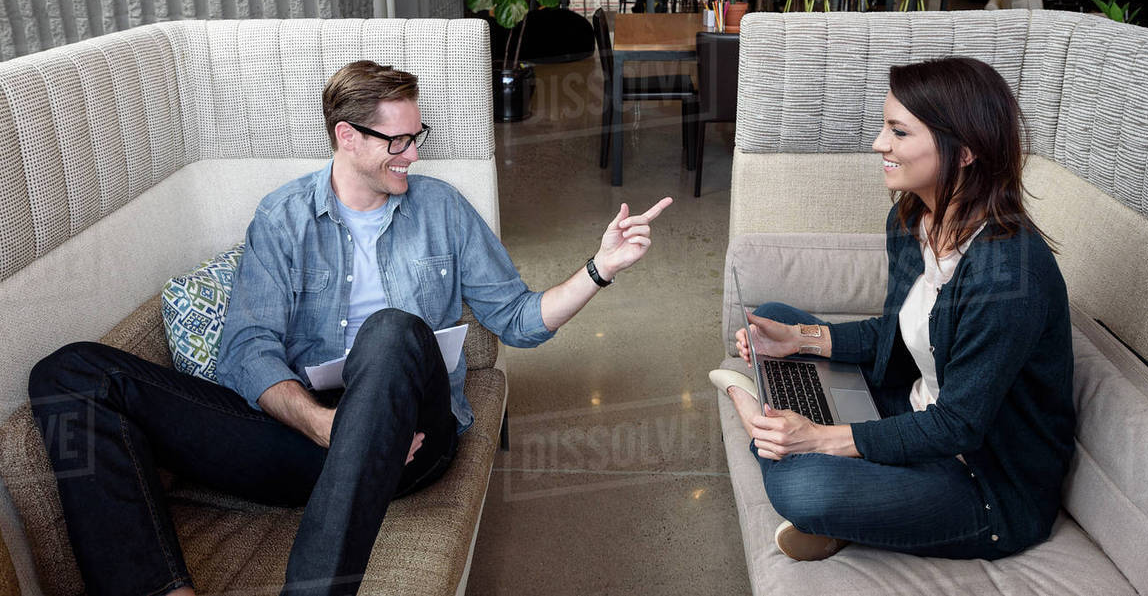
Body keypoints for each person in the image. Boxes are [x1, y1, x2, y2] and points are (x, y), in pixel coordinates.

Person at [29, 60, 673, 596]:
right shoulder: (283, 218)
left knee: (391, 330)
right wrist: (322, 424)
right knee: (70, 372)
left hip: (411, 443)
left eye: (418, 136)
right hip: (309, 435)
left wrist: (599, 268)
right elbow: (246, 350)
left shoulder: (442, 209)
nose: (413, 154)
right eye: (397, 141)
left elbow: (519, 321)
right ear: (347, 136)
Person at [710, 56, 1075, 562]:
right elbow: (902, 335)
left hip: (981, 480)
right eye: (886, 127)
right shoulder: (912, 219)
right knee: (775, 314)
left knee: (805, 490)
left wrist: (820, 439)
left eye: (899, 132)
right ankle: (820, 465)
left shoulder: (1009, 274)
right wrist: (800, 340)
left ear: (965, 151)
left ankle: (778, 435)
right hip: (910, 409)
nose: (880, 144)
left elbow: (959, 426)